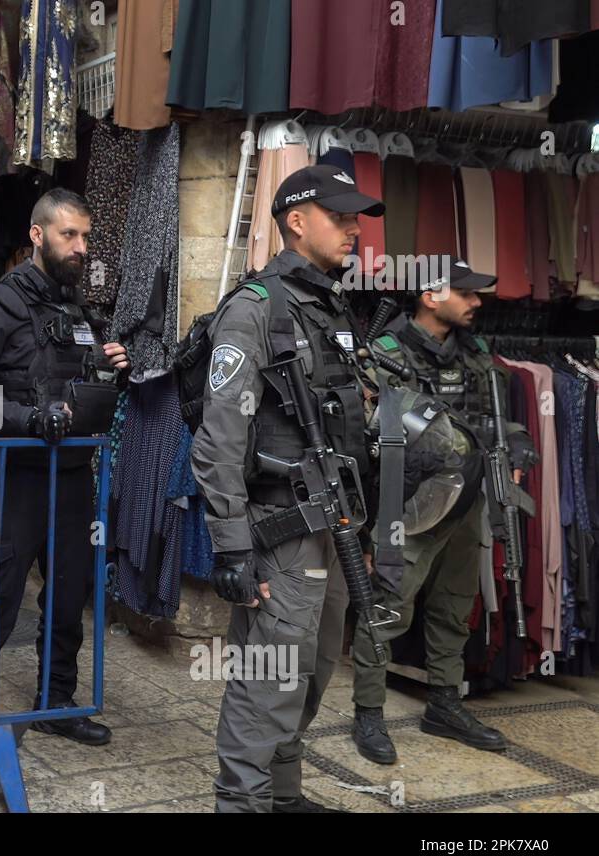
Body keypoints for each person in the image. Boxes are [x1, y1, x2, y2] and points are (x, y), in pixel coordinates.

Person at [192, 164, 384, 813]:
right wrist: (232, 548)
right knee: (267, 681)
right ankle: (240, 803)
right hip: (280, 531)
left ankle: (283, 794)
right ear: (296, 221)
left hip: (333, 526)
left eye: (356, 218)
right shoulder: (255, 308)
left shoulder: (330, 306)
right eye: (341, 216)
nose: (354, 229)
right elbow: (218, 440)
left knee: (316, 668)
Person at [0, 188, 128, 754]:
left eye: (85, 236)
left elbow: (82, 390)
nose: (80, 247)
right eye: (67, 234)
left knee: (69, 594)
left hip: (72, 476)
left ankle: (57, 703)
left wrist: (110, 371)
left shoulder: (80, 313)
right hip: (17, 478)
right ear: (37, 235)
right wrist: (29, 417)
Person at [351, 260, 536, 764]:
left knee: (454, 607)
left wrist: (518, 445)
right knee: (388, 607)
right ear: (431, 296)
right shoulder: (385, 353)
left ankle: (444, 704)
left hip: (467, 501)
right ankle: (368, 712)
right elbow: (363, 434)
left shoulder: (475, 354)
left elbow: (494, 419)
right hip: (408, 504)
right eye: (466, 293)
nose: (476, 302)